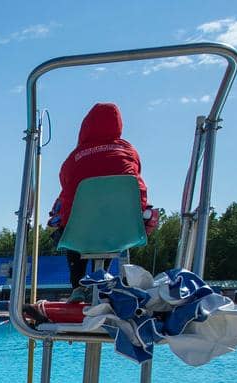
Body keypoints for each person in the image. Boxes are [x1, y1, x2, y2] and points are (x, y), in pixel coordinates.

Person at [48, 102, 158, 288]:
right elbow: (136, 183)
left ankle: (77, 285)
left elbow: (66, 188)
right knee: (109, 232)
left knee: (74, 229)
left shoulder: (74, 157)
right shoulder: (129, 151)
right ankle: (101, 276)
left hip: (79, 232)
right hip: (124, 230)